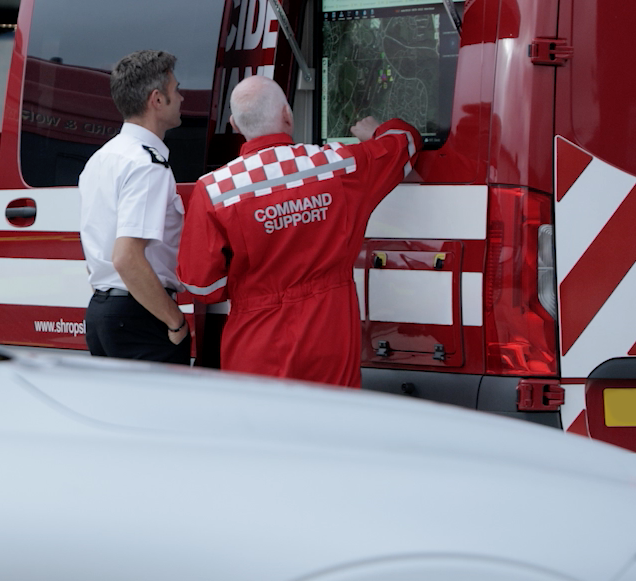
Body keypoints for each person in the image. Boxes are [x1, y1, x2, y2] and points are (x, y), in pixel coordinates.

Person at [178, 75, 420, 386]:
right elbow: (406, 140)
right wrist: (375, 132)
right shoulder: (338, 166)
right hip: (330, 335)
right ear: (287, 117)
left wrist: (248, 282)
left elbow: (202, 287)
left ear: (234, 126)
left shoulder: (214, 190)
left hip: (256, 342)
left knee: (262, 431)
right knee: (331, 427)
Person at [78, 50, 191, 363]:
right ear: (156, 100)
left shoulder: (102, 158)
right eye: (176, 90)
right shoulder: (146, 164)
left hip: (104, 311)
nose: (182, 98)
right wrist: (175, 321)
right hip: (141, 317)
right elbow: (126, 257)